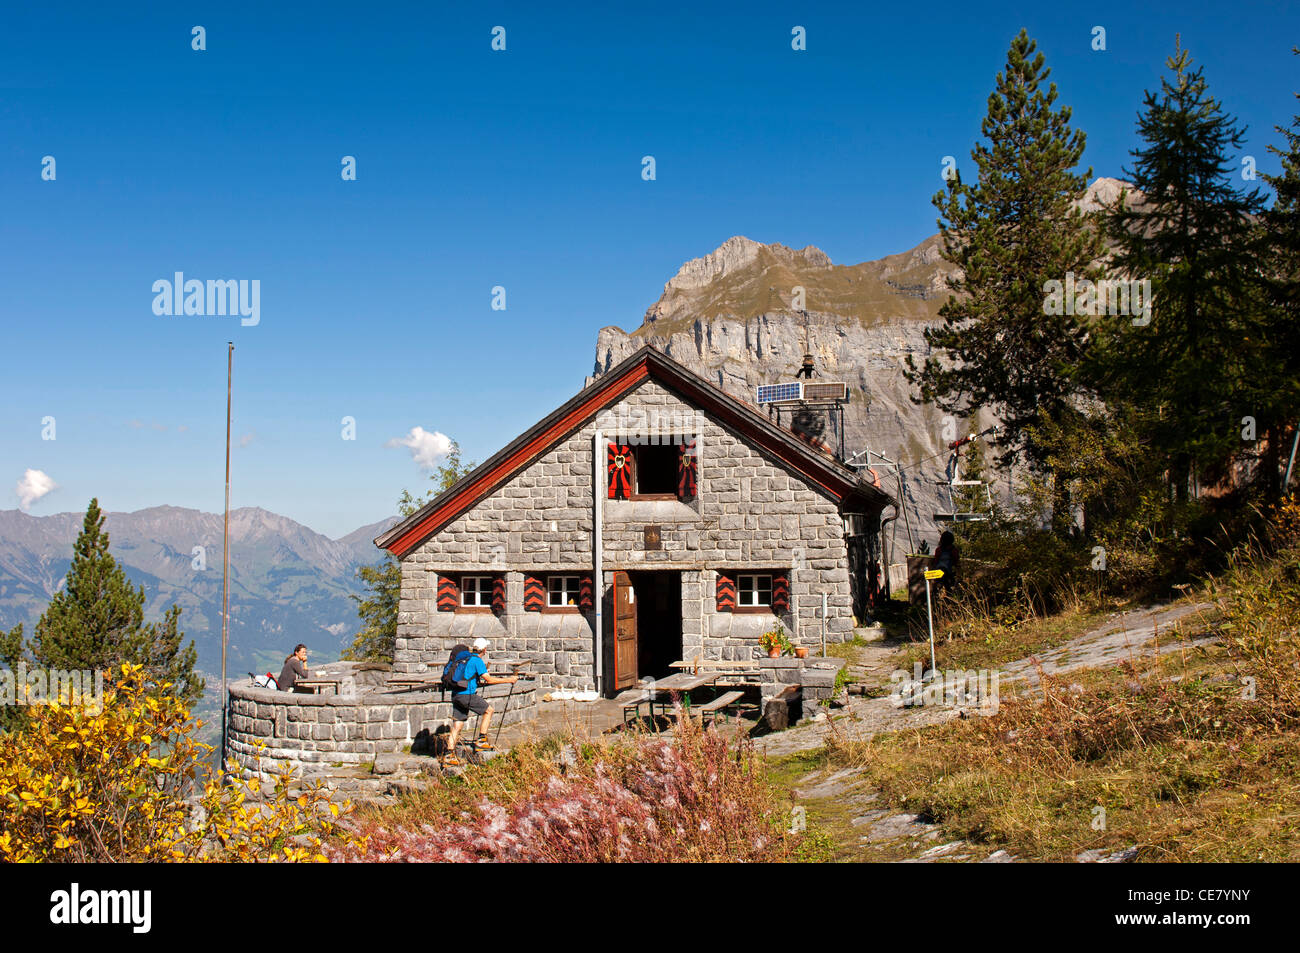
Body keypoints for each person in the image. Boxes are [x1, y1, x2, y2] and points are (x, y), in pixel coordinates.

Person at [443, 637, 517, 766]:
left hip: (456, 694)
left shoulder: (464, 659)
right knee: (489, 710)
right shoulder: (477, 661)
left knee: (457, 725)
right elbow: (489, 680)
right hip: (467, 695)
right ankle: (482, 740)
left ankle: (449, 755)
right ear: (484, 649)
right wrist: (509, 679)